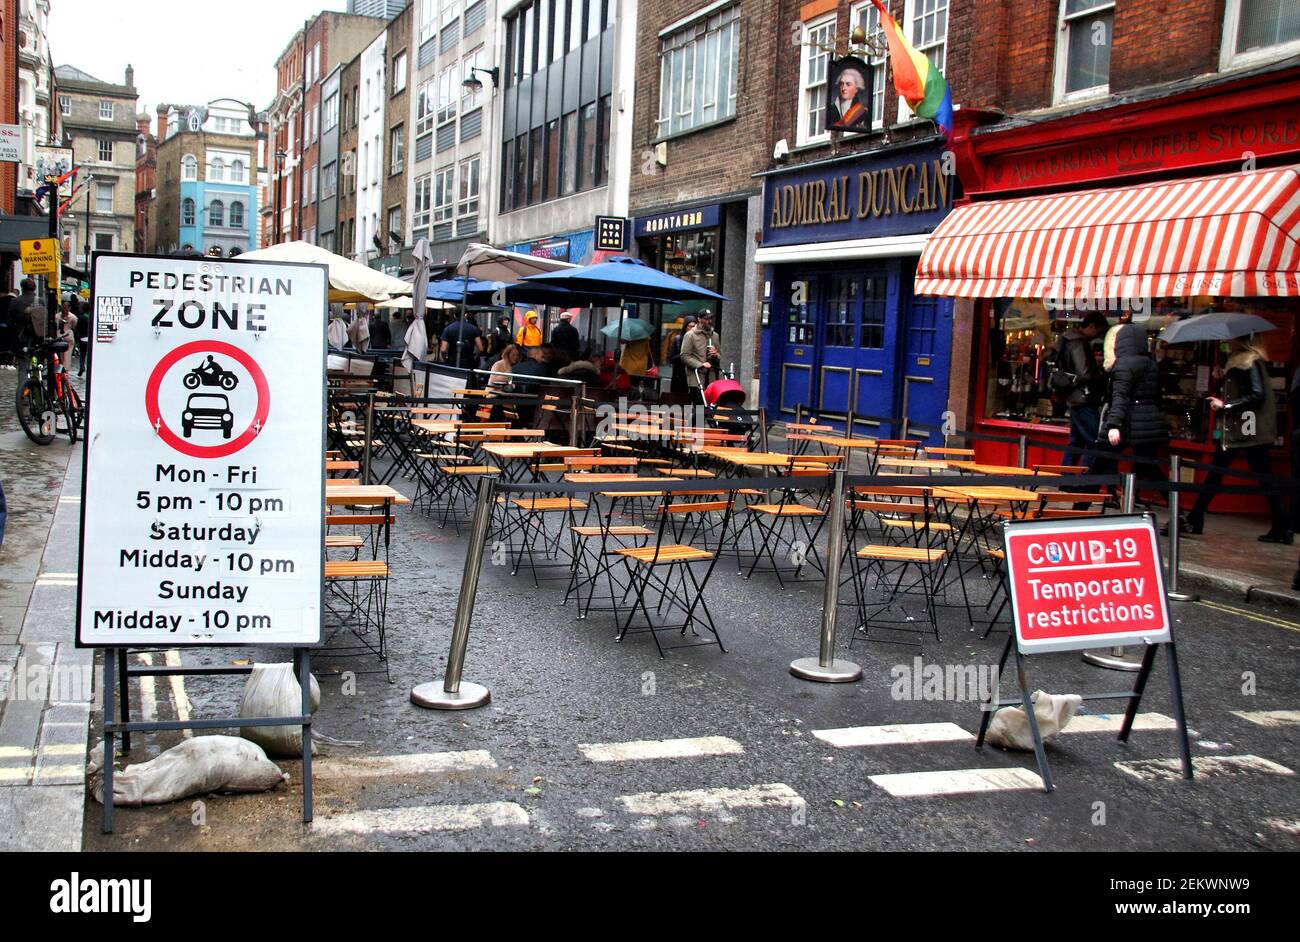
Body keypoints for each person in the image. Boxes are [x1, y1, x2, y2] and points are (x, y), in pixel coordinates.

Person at [1186, 337, 1289, 542]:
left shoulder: (1249, 361)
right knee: (1224, 471)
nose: (1227, 341)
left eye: (1231, 339)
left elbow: (1256, 394)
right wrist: (1223, 376)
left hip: (1247, 428)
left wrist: (1225, 406)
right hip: (1242, 427)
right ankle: (1195, 517)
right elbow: (1244, 390)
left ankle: (1282, 527)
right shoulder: (1241, 361)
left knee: (1240, 473)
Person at [1095, 323, 1168, 502]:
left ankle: (1077, 510)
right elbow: (1157, 396)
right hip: (1147, 424)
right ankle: (1178, 512)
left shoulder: (1123, 365)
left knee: (1099, 466)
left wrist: (1113, 425)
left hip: (1126, 421)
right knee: (1152, 469)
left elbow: (1120, 396)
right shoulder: (1151, 364)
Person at [1051, 311, 1109, 470]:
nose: (1099, 335)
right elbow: (1083, 373)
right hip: (1083, 397)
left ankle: (1065, 479)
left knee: (1076, 441)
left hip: (1073, 397)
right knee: (1094, 441)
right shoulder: (1078, 341)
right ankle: (1083, 482)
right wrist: (1098, 372)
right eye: (1099, 330)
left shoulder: (1067, 338)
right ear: (1091, 326)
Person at [681, 311, 718, 390]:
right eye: (706, 319)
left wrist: (716, 355)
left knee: (710, 402)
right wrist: (700, 364)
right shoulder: (690, 335)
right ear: (699, 319)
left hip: (711, 379)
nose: (710, 321)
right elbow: (684, 356)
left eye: (711, 318)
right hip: (696, 378)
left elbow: (720, 356)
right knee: (699, 401)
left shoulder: (715, 335)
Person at [668, 316, 696, 396]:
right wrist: (684, 356)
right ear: (685, 327)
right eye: (690, 326)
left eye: (694, 326)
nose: (692, 329)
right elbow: (671, 358)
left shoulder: (698, 340)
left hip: (693, 376)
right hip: (679, 376)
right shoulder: (678, 339)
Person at [11, 278, 42, 349]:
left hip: (19, 338)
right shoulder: (41, 301)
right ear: (34, 288)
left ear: (22, 288)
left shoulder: (15, 301)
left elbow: (10, 320)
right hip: (38, 338)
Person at [75, 298, 91, 376]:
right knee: (89, 355)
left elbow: (77, 328)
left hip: (82, 338)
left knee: (82, 354)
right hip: (90, 339)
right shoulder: (91, 317)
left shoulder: (81, 317)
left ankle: (82, 366)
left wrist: (77, 338)